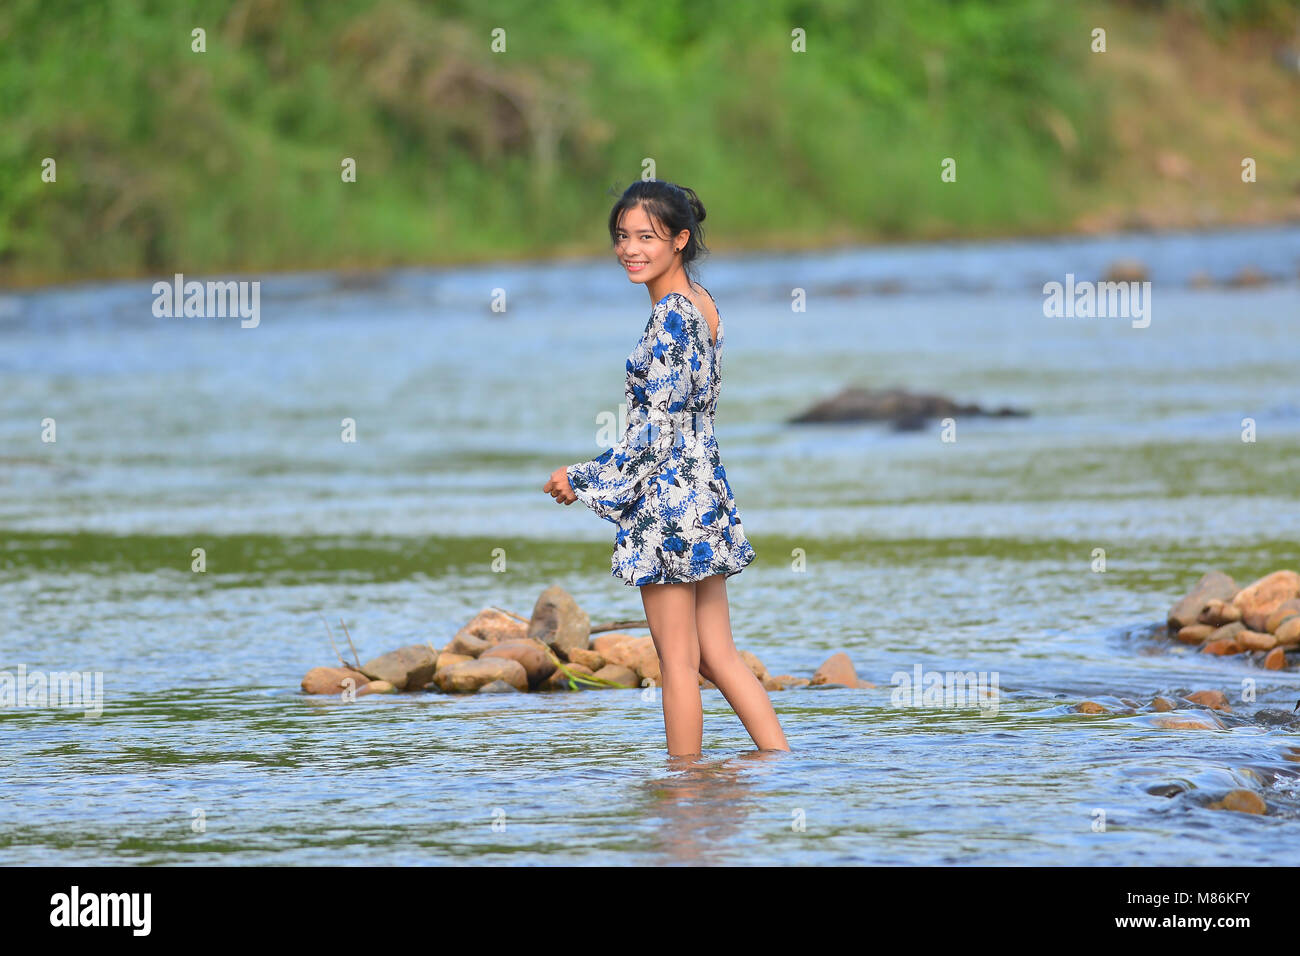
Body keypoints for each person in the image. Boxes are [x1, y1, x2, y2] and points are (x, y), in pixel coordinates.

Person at [543, 179, 791, 757]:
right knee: (717, 654)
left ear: (680, 240)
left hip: (671, 501)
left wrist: (578, 479)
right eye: (622, 236)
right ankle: (780, 761)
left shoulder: (667, 323)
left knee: (678, 664)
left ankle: (684, 790)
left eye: (646, 237)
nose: (630, 249)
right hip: (705, 488)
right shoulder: (702, 304)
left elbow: (653, 434)